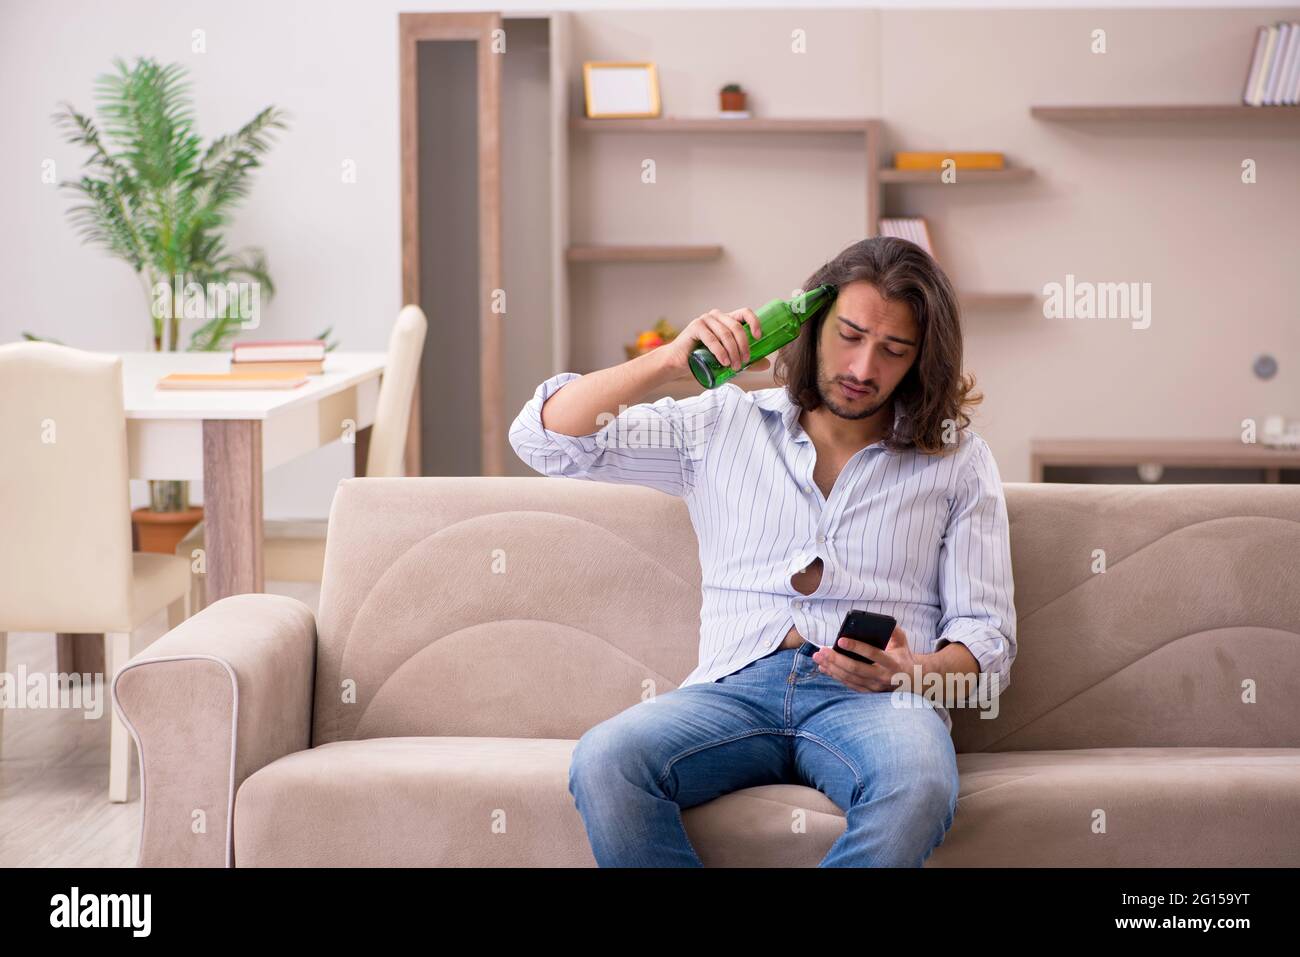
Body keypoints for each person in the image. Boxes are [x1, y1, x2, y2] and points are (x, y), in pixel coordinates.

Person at [507, 236, 1016, 867]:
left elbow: (987, 641)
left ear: (920, 360)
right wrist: (668, 361)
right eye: (849, 335)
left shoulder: (959, 460)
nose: (862, 369)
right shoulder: (722, 422)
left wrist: (912, 675)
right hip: (731, 688)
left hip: (877, 701)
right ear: (809, 323)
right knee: (607, 759)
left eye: (893, 350)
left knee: (919, 785)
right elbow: (544, 441)